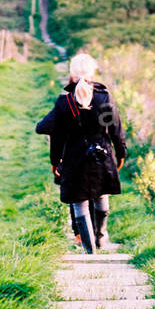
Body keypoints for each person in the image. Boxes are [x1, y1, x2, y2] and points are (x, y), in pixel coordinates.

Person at [35, 52, 126, 253]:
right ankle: (101, 238)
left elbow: (57, 137)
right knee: (102, 196)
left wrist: (55, 160)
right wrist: (121, 153)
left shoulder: (63, 103)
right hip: (102, 156)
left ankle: (89, 248)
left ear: (72, 74)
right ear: (92, 72)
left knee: (79, 202)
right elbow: (115, 130)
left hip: (74, 158)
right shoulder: (104, 98)